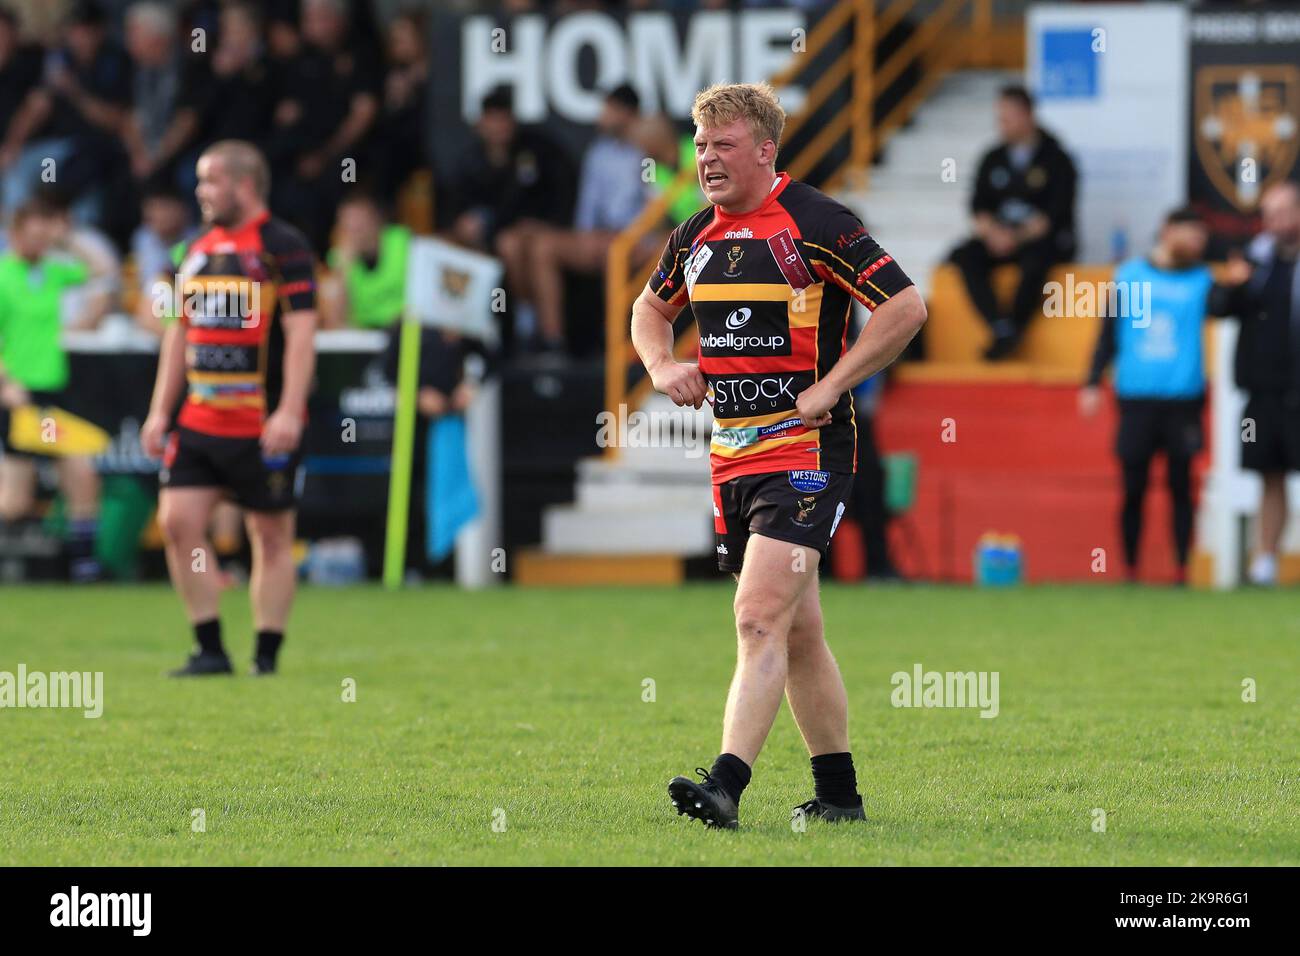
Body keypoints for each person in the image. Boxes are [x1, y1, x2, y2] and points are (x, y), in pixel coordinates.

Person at [632, 82, 926, 829]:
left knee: (759, 616)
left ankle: (725, 784)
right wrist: (663, 367)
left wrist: (833, 384)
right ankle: (839, 798)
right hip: (731, 455)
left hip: (807, 453)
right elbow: (647, 309)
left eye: (722, 146)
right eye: (699, 147)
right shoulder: (693, 235)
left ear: (766, 151)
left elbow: (905, 306)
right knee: (798, 632)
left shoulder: (819, 221)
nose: (706, 160)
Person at [140, 140, 318, 677]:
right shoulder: (190, 251)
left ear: (244, 185)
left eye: (210, 181)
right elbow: (177, 334)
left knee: (268, 535)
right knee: (178, 523)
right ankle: (209, 648)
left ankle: (266, 654)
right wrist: (158, 413)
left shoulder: (283, 247)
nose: (201, 192)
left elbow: (304, 335)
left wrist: (289, 410)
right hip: (199, 422)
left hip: (260, 426)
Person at [1080, 208, 1218, 585]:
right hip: (1137, 400)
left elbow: (1231, 307)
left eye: (1200, 238)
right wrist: (1092, 382)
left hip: (1184, 400)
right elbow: (1108, 334)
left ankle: (1180, 570)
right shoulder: (1131, 277)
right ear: (1168, 231)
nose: (1195, 244)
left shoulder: (1204, 281)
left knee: (1181, 486)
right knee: (1133, 487)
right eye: (1189, 235)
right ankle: (1130, 569)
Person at [0, 197, 113, 581]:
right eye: (32, 235)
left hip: (53, 393)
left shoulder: (51, 271)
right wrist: (6, 382)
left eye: (43, 236)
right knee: (14, 502)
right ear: (14, 234)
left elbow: (102, 270)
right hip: (19, 395)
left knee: (82, 475)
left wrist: (66, 238)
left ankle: (84, 566)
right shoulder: (3, 275)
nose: (39, 243)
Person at [508, 85, 646, 354]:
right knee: (543, 247)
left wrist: (630, 234)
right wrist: (584, 236)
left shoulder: (647, 150)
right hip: (599, 237)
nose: (601, 116)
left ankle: (620, 344)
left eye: (608, 109)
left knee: (615, 253)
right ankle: (552, 341)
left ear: (626, 113)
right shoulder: (598, 152)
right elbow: (588, 207)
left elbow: (657, 201)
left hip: (638, 238)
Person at [1210, 181, 1300, 586]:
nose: (1273, 222)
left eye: (1282, 212)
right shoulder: (1254, 263)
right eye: (1268, 213)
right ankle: (1265, 560)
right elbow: (1219, 309)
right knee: (1269, 473)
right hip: (1263, 392)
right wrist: (1235, 281)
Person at [948, 85, 1077, 359]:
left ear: (1027, 115)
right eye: (999, 118)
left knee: (1038, 261)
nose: (1002, 125)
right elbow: (978, 206)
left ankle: (1014, 327)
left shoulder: (1058, 159)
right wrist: (993, 233)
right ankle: (1000, 325)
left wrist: (1014, 238)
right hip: (1000, 239)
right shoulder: (992, 158)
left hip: (1037, 241)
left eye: (1007, 118)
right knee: (965, 255)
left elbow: (1053, 216)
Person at [320, 192, 409, 330]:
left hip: (403, 331)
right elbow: (333, 322)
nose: (354, 235)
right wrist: (343, 270)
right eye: (348, 229)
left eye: (360, 227)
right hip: (363, 339)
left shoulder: (403, 243)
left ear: (376, 223)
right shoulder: (339, 258)